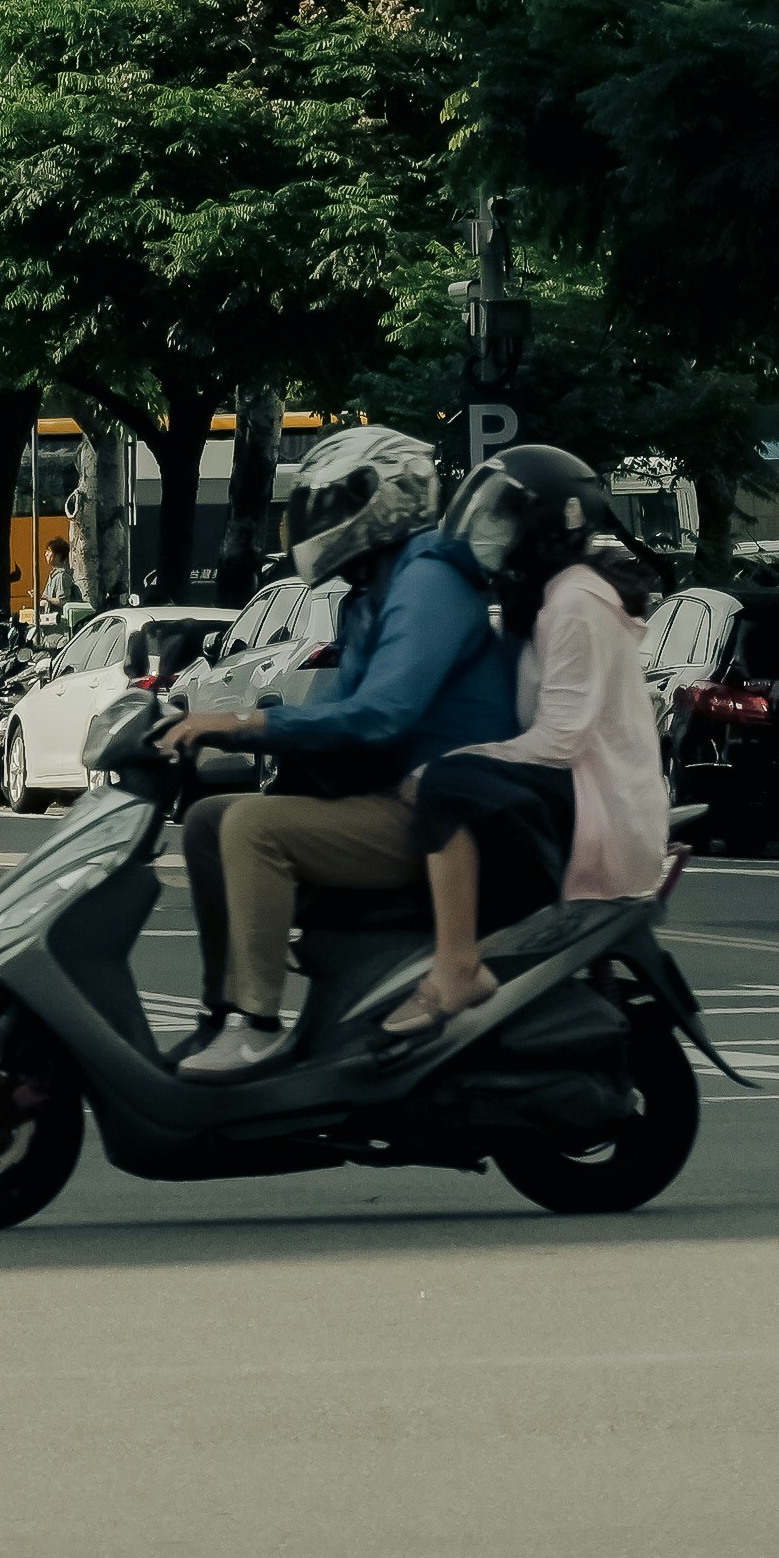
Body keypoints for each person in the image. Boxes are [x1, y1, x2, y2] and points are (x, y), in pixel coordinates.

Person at [157, 422, 515, 1077]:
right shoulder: (368, 593)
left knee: (250, 827)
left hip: (439, 806)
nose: (316, 521)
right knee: (206, 822)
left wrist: (245, 724)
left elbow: (383, 714)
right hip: (392, 793)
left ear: (387, 497)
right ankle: (220, 1012)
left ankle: (257, 1026)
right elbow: (344, 712)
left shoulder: (429, 576)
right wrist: (233, 724)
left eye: (333, 503)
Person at [386, 449, 669, 1036]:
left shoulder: (575, 601)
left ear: (548, 523)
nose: (489, 531)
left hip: (595, 811)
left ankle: (456, 967)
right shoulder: (550, 596)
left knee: (443, 786)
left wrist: (446, 766)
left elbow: (560, 740)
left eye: (506, 517)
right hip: (575, 795)